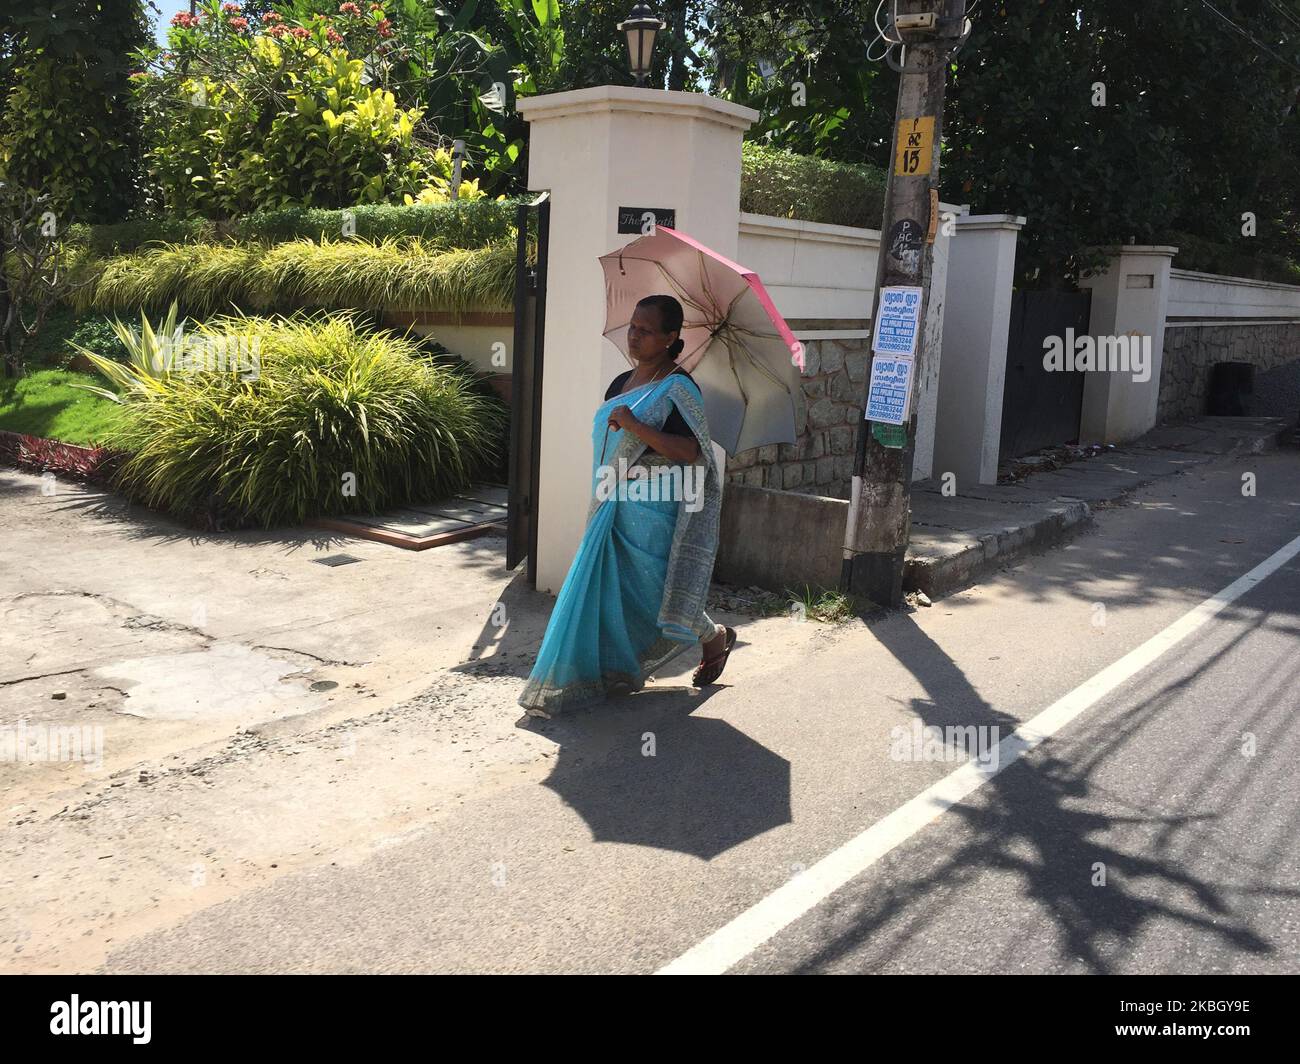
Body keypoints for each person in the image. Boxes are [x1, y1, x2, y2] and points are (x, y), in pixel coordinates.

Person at [518, 294, 736, 718]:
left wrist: (636, 425)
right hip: (612, 504)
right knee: (610, 589)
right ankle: (606, 670)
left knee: (655, 590)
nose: (634, 336)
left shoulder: (679, 387)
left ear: (671, 338)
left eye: (646, 330)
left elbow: (690, 452)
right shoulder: (619, 384)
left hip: (655, 508)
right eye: (632, 327)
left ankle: (712, 637)